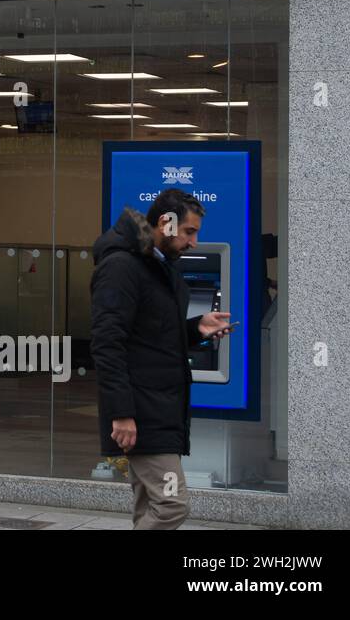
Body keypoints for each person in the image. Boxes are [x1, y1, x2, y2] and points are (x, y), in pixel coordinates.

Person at [90, 188, 233, 529]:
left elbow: (155, 338)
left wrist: (197, 328)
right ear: (166, 224)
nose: (194, 242)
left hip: (159, 410)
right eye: (189, 232)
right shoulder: (122, 268)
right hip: (143, 416)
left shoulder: (158, 268)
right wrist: (121, 413)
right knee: (171, 505)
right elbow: (108, 344)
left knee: (148, 508)